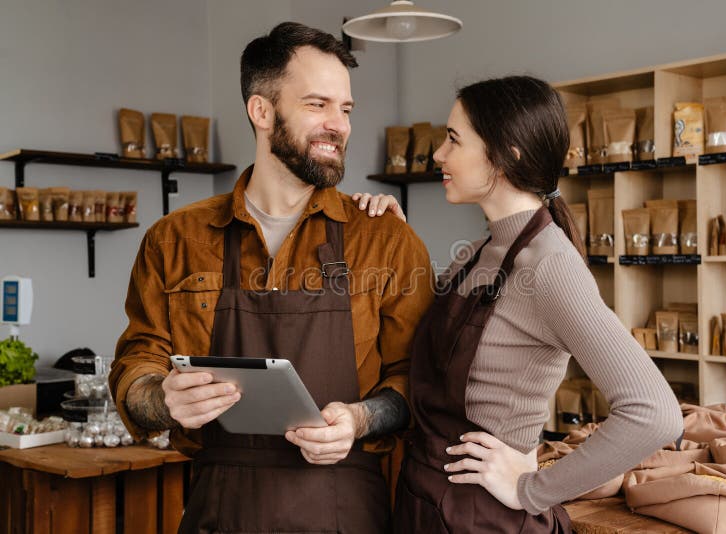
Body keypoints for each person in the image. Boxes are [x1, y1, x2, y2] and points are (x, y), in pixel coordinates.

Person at [109, 22, 433, 534]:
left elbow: (417, 380)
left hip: (346, 510)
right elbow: (136, 362)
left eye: (345, 109)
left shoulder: (385, 240)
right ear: (261, 111)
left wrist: (360, 419)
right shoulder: (175, 239)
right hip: (220, 509)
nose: (339, 124)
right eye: (317, 105)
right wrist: (162, 398)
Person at [353, 75, 684, 533]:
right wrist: (388, 234)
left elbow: (654, 412)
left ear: (507, 155)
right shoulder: (476, 254)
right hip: (423, 505)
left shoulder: (549, 264)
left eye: (454, 140)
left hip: (483, 519)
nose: (439, 154)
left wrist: (532, 489)